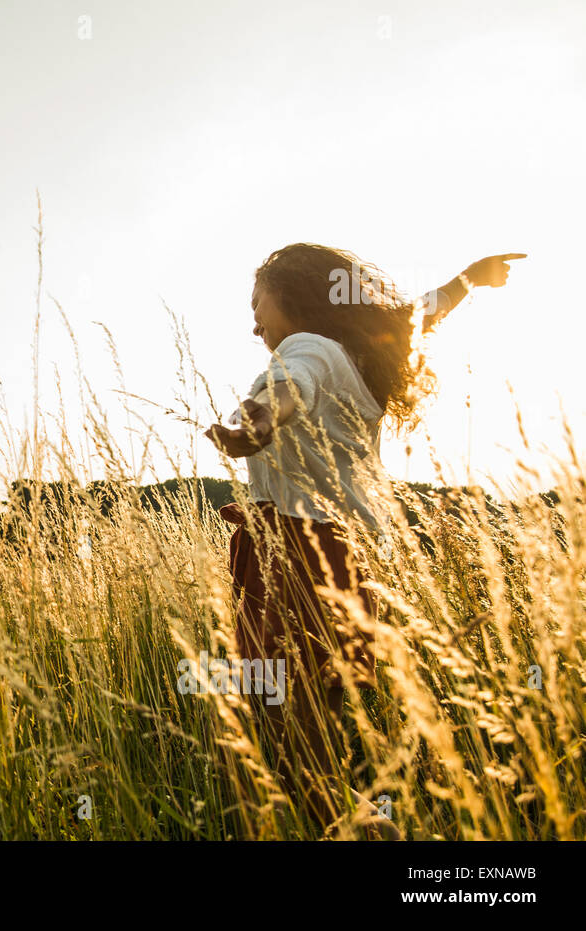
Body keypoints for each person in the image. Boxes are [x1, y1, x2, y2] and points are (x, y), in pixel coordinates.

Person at [204, 244, 525, 838]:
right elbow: (411, 316)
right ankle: (372, 823)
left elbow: (287, 387)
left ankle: (375, 832)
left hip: (289, 554)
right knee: (312, 721)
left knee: (277, 724)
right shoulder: (355, 355)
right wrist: (468, 280)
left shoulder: (308, 348)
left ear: (295, 295)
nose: (253, 321)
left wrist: (255, 422)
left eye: (259, 303)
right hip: (340, 555)